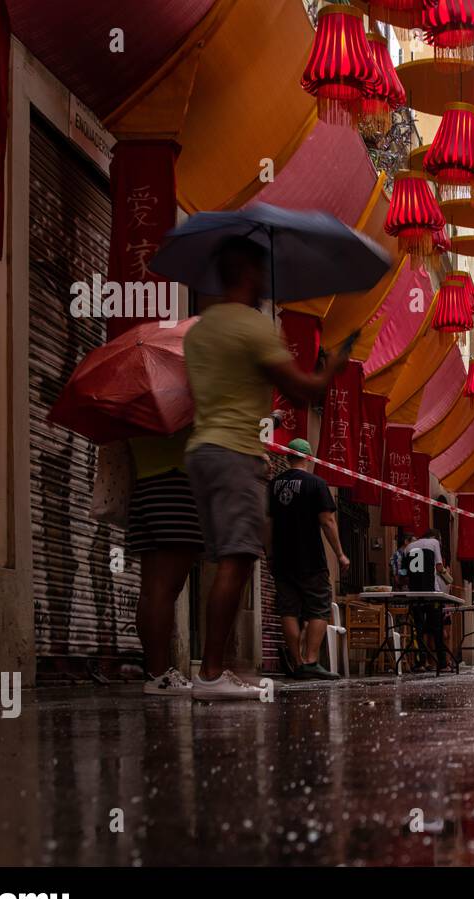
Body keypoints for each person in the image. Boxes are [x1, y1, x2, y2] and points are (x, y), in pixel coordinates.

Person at [182, 235, 352, 700]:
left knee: (224, 559)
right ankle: (214, 673)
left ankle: (217, 667)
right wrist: (332, 367)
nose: (265, 283)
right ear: (247, 273)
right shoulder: (252, 327)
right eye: (261, 273)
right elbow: (303, 390)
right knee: (236, 561)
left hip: (201, 451)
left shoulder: (198, 329)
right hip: (236, 451)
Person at [127, 429, 203, 695]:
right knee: (165, 589)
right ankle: (160, 674)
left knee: (150, 590)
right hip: (177, 487)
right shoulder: (176, 408)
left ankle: (154, 671)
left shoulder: (137, 407)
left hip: (145, 487)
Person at [266, 437, 346, 681]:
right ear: (309, 458)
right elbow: (327, 521)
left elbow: (266, 523)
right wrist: (340, 554)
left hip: (281, 558)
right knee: (319, 608)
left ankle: (297, 662)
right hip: (310, 558)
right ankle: (311, 660)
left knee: (288, 609)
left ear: (288, 457)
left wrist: (269, 554)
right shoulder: (316, 484)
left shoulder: (272, 486)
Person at [406, 528, 452, 672]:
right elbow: (439, 567)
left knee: (418, 629)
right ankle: (443, 664)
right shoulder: (434, 542)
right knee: (437, 629)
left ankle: (420, 663)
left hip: (414, 594)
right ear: (435, 537)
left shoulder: (408, 547)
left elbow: (403, 574)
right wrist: (448, 578)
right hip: (432, 594)